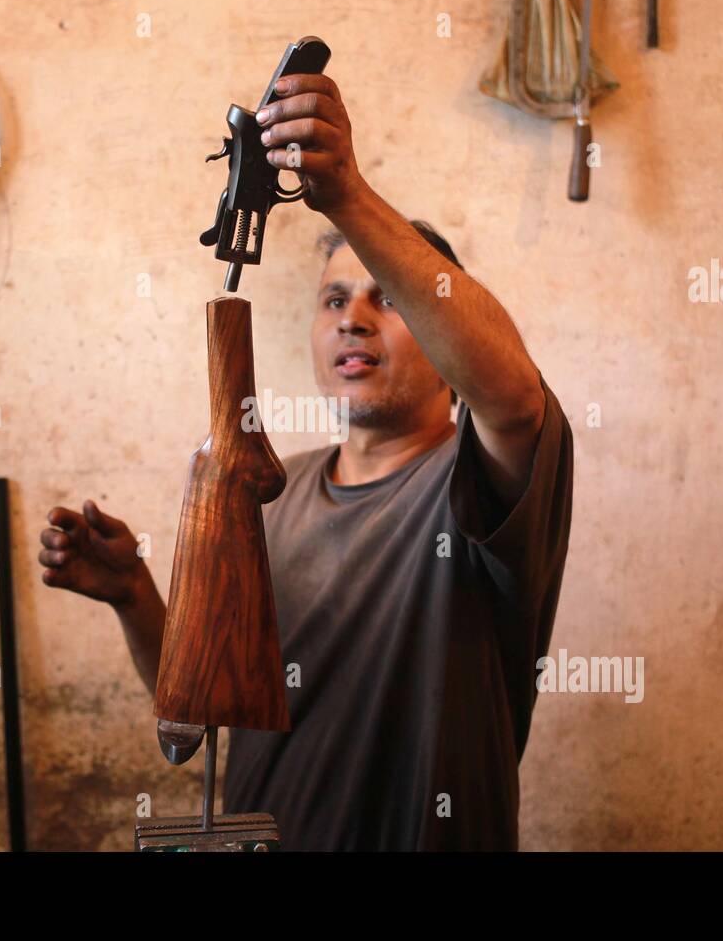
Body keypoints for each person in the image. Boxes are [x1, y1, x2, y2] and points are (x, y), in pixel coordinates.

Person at [39, 73, 573, 849]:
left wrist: (346, 194)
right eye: (333, 300)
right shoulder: (266, 493)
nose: (353, 319)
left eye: (386, 297)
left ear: (438, 322)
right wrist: (131, 593)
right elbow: (202, 706)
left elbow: (517, 398)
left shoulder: (483, 487)